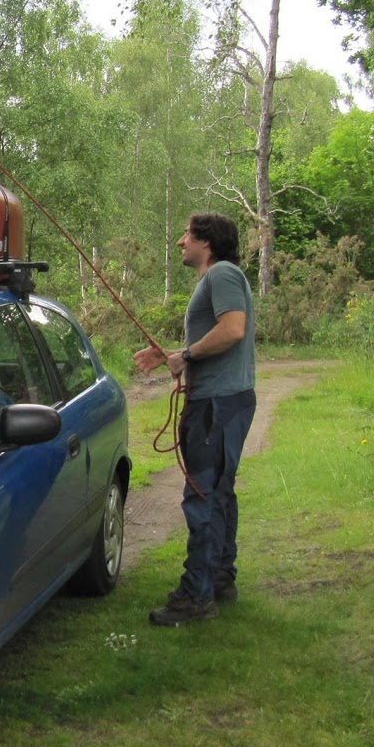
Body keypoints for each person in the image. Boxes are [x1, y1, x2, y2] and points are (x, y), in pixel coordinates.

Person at [134, 212, 257, 626]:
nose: (180, 242)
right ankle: (220, 578)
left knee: (202, 495)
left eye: (186, 235)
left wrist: (185, 356)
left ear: (207, 242)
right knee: (219, 493)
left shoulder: (221, 274)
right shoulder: (222, 277)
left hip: (217, 405)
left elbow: (233, 329)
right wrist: (173, 353)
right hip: (225, 401)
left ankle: (196, 596)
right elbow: (218, 336)